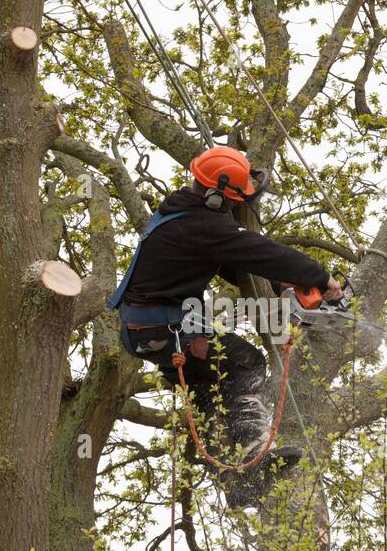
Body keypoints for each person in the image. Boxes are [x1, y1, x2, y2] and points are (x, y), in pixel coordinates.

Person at [108, 146, 343, 506]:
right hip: (164, 329)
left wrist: (280, 284)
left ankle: (234, 479)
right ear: (217, 198)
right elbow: (259, 251)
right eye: (237, 199)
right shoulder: (201, 224)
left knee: (208, 390)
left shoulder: (182, 212)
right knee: (245, 361)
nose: (238, 206)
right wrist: (320, 278)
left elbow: (221, 261)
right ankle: (253, 454)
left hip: (146, 329)